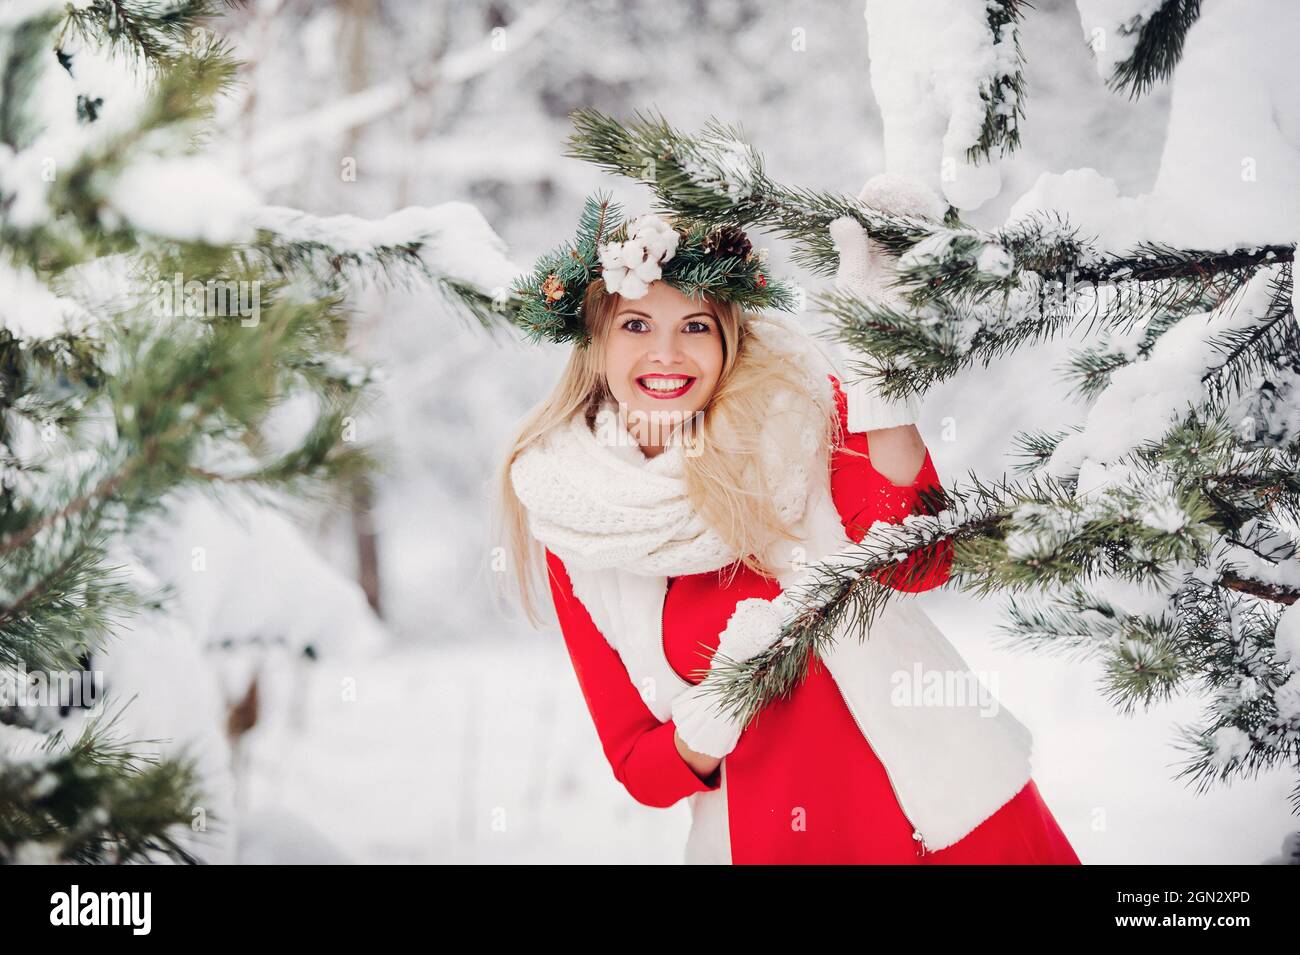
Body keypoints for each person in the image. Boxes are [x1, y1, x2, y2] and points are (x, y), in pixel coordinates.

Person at [492, 180, 1080, 864]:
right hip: (773, 842)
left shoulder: (794, 415)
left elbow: (920, 560)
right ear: (594, 340)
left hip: (946, 818)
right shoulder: (578, 518)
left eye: (695, 326)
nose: (667, 354)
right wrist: (708, 723)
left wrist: (881, 368)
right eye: (636, 324)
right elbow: (637, 764)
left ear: (727, 336)